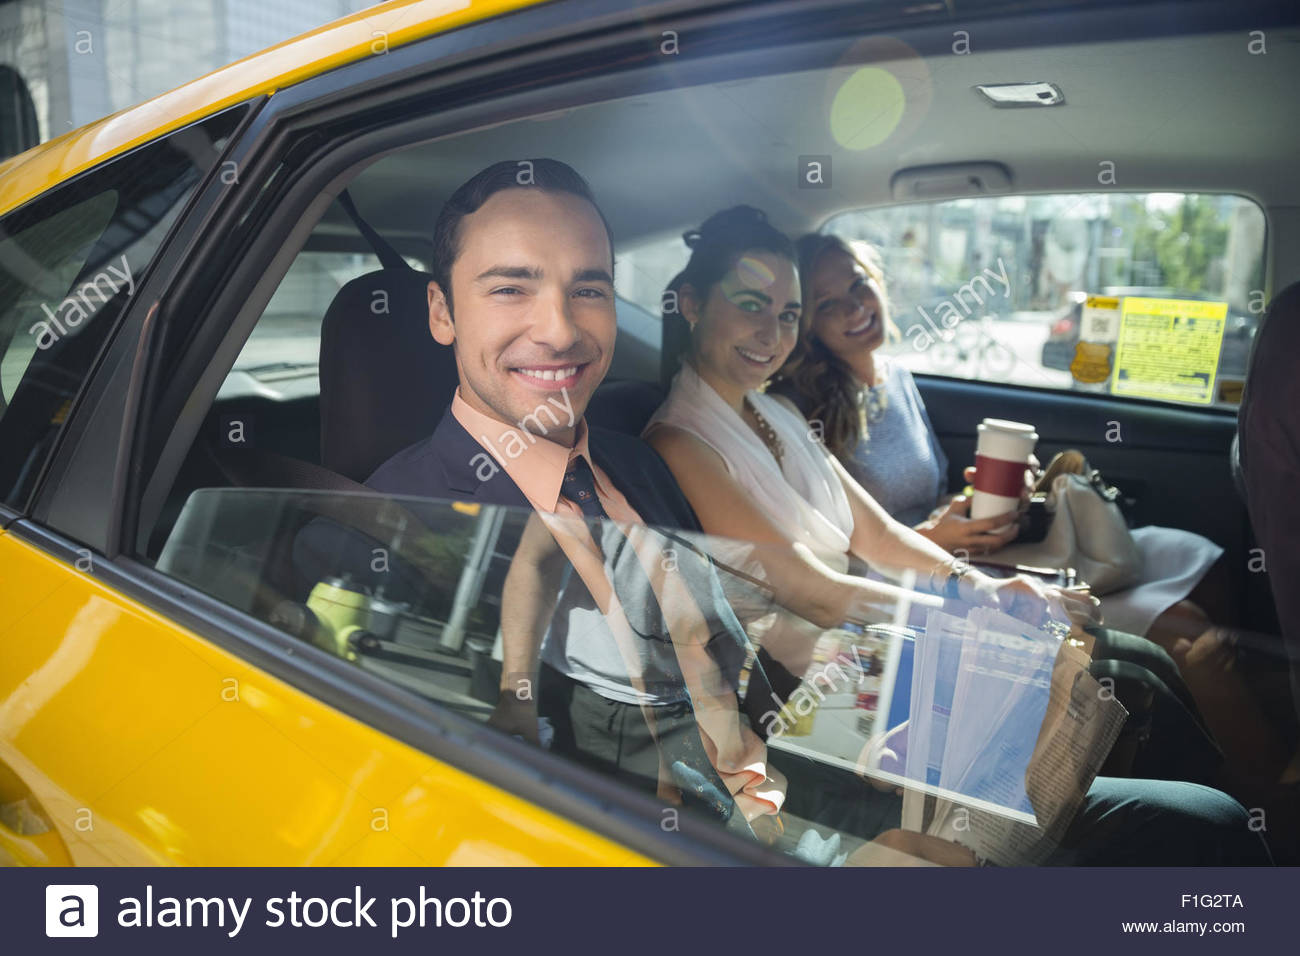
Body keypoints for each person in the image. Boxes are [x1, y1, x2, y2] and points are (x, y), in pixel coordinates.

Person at [642, 204, 1269, 864]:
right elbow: (817, 594)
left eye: (790, 314)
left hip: (883, 653)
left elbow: (879, 535)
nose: (773, 332)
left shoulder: (778, 410)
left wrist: (982, 585)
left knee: (1144, 662)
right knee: (1142, 716)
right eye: (750, 304)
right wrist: (984, 608)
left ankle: (1263, 813)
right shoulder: (681, 441)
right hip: (827, 704)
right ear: (689, 302)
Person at [767, 233, 1225, 650]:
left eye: (858, 284)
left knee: (1188, 554)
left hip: (967, 553)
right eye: (827, 304)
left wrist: (990, 500)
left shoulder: (897, 377)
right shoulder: (799, 410)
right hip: (913, 580)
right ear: (805, 325)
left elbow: (926, 495)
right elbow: (831, 559)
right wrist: (937, 538)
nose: (854, 307)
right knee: (1184, 624)